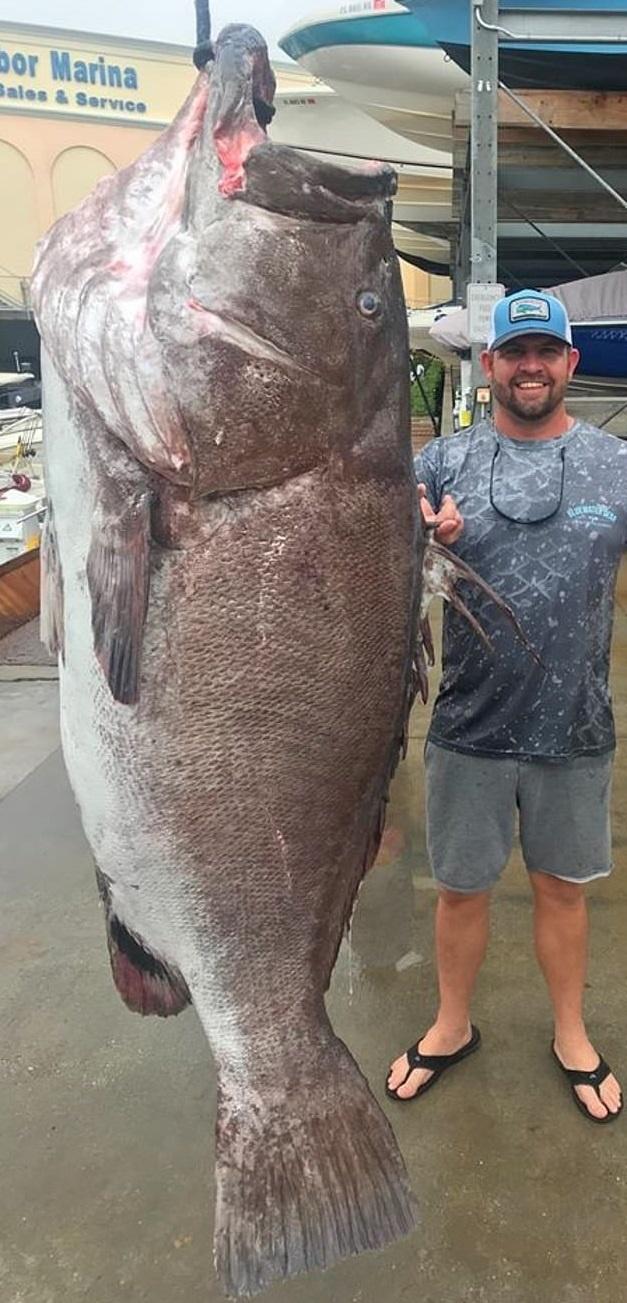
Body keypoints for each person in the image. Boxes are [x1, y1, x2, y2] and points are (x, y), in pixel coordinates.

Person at [387, 289, 626, 1123]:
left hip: (576, 726)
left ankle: (569, 1031)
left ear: (570, 363)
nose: (530, 365)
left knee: (563, 890)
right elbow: (368, 532)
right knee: (459, 891)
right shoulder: (439, 464)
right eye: (513, 352)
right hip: (467, 727)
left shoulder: (614, 465)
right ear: (486, 366)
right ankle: (451, 1024)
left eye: (544, 351)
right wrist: (417, 532)